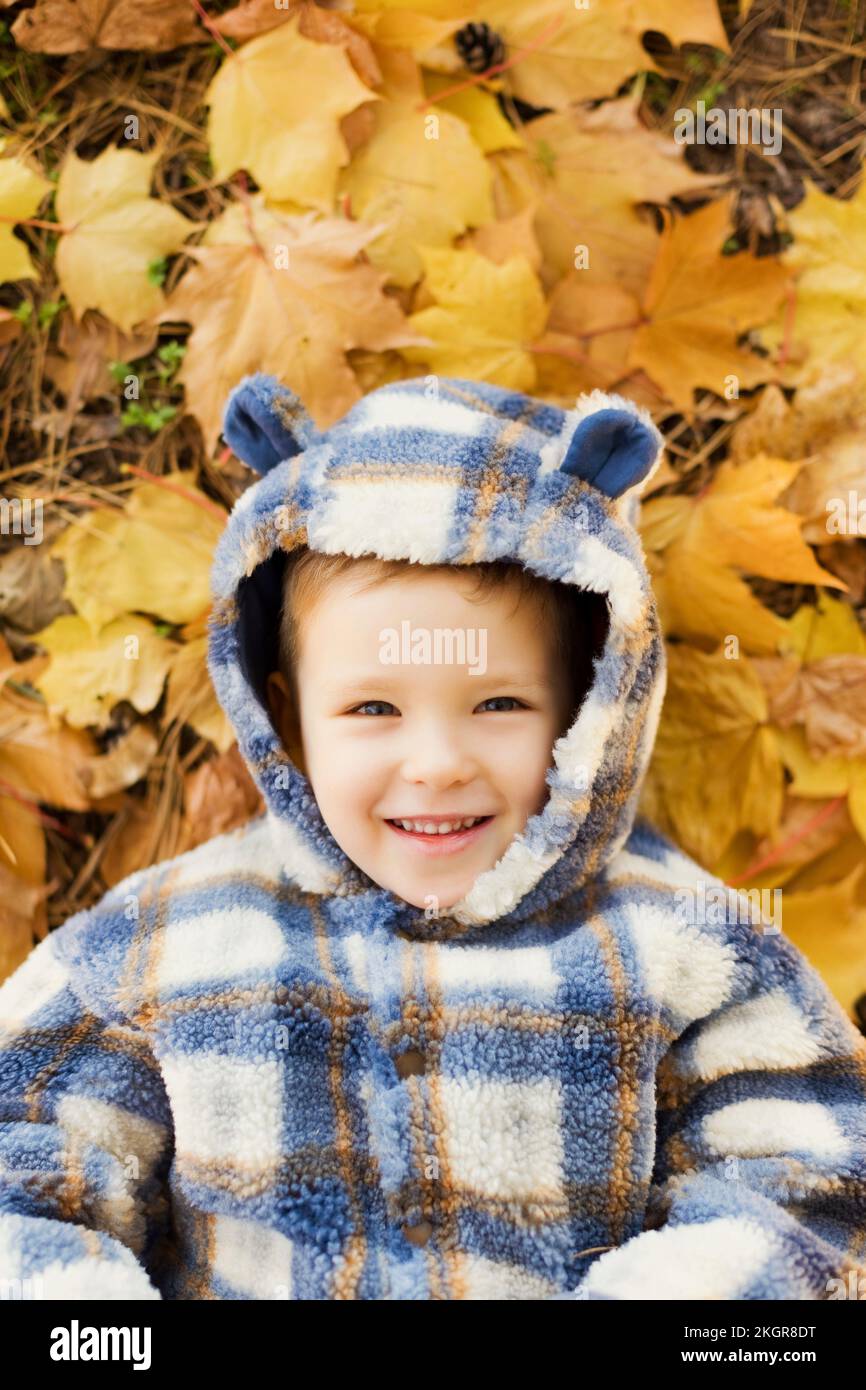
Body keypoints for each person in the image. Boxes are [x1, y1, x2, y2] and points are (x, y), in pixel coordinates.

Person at [1, 371, 864, 1301]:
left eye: (498, 703)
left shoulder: (688, 943)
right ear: (287, 724)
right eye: (374, 708)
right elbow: (26, 1168)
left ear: (587, 713)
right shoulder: (168, 939)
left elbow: (809, 1191)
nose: (438, 763)